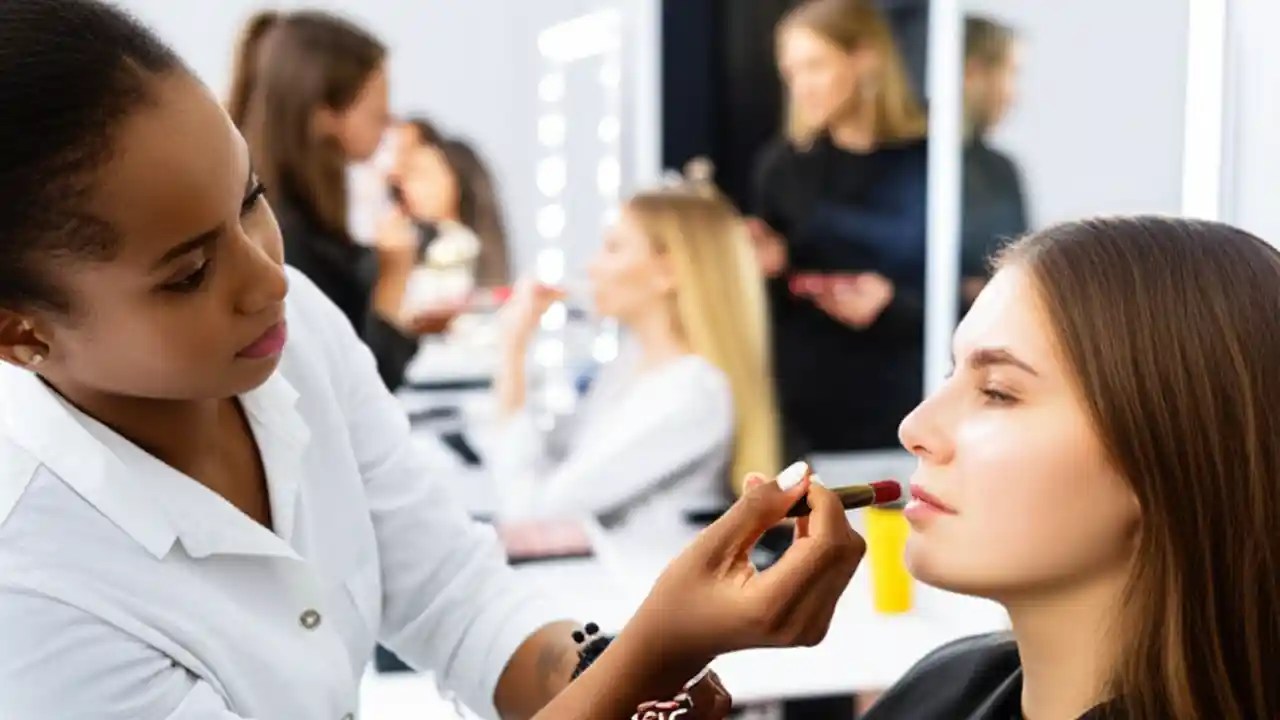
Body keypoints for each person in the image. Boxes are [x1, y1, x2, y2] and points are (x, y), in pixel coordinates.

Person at [0, 2, 865, 718]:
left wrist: (606, 674)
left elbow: (457, 597)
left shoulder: (292, 341)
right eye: (189, 273)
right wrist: (655, 651)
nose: (269, 282)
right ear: (20, 332)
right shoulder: (28, 591)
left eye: (252, 198)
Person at [865, 217, 1278, 719]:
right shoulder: (945, 688)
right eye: (953, 373)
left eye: (998, 392)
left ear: (1170, 452)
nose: (914, 428)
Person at [491, 183, 780, 553]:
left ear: (668, 271)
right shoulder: (632, 364)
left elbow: (530, 517)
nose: (591, 267)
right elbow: (558, 459)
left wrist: (512, 354)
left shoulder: (691, 393)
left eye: (613, 248)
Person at [752, 0, 929, 456]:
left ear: (865, 58)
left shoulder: (934, 163)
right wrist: (767, 267)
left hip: (910, 394)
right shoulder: (783, 167)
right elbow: (766, 307)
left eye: (814, 66)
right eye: (790, 73)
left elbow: (978, 289)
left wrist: (894, 307)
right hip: (809, 403)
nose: (801, 87)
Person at [229, 11, 428, 390]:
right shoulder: (288, 238)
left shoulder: (303, 218)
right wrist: (392, 282)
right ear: (325, 113)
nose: (388, 122)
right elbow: (360, 395)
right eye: (378, 113)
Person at [395, 118, 512, 288]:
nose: (406, 185)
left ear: (456, 181)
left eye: (422, 175)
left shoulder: (459, 249)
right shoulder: (415, 242)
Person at [960, 15, 1028, 308]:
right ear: (972, 73)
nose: (1014, 95)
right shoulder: (916, 166)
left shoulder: (1000, 170)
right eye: (1010, 72)